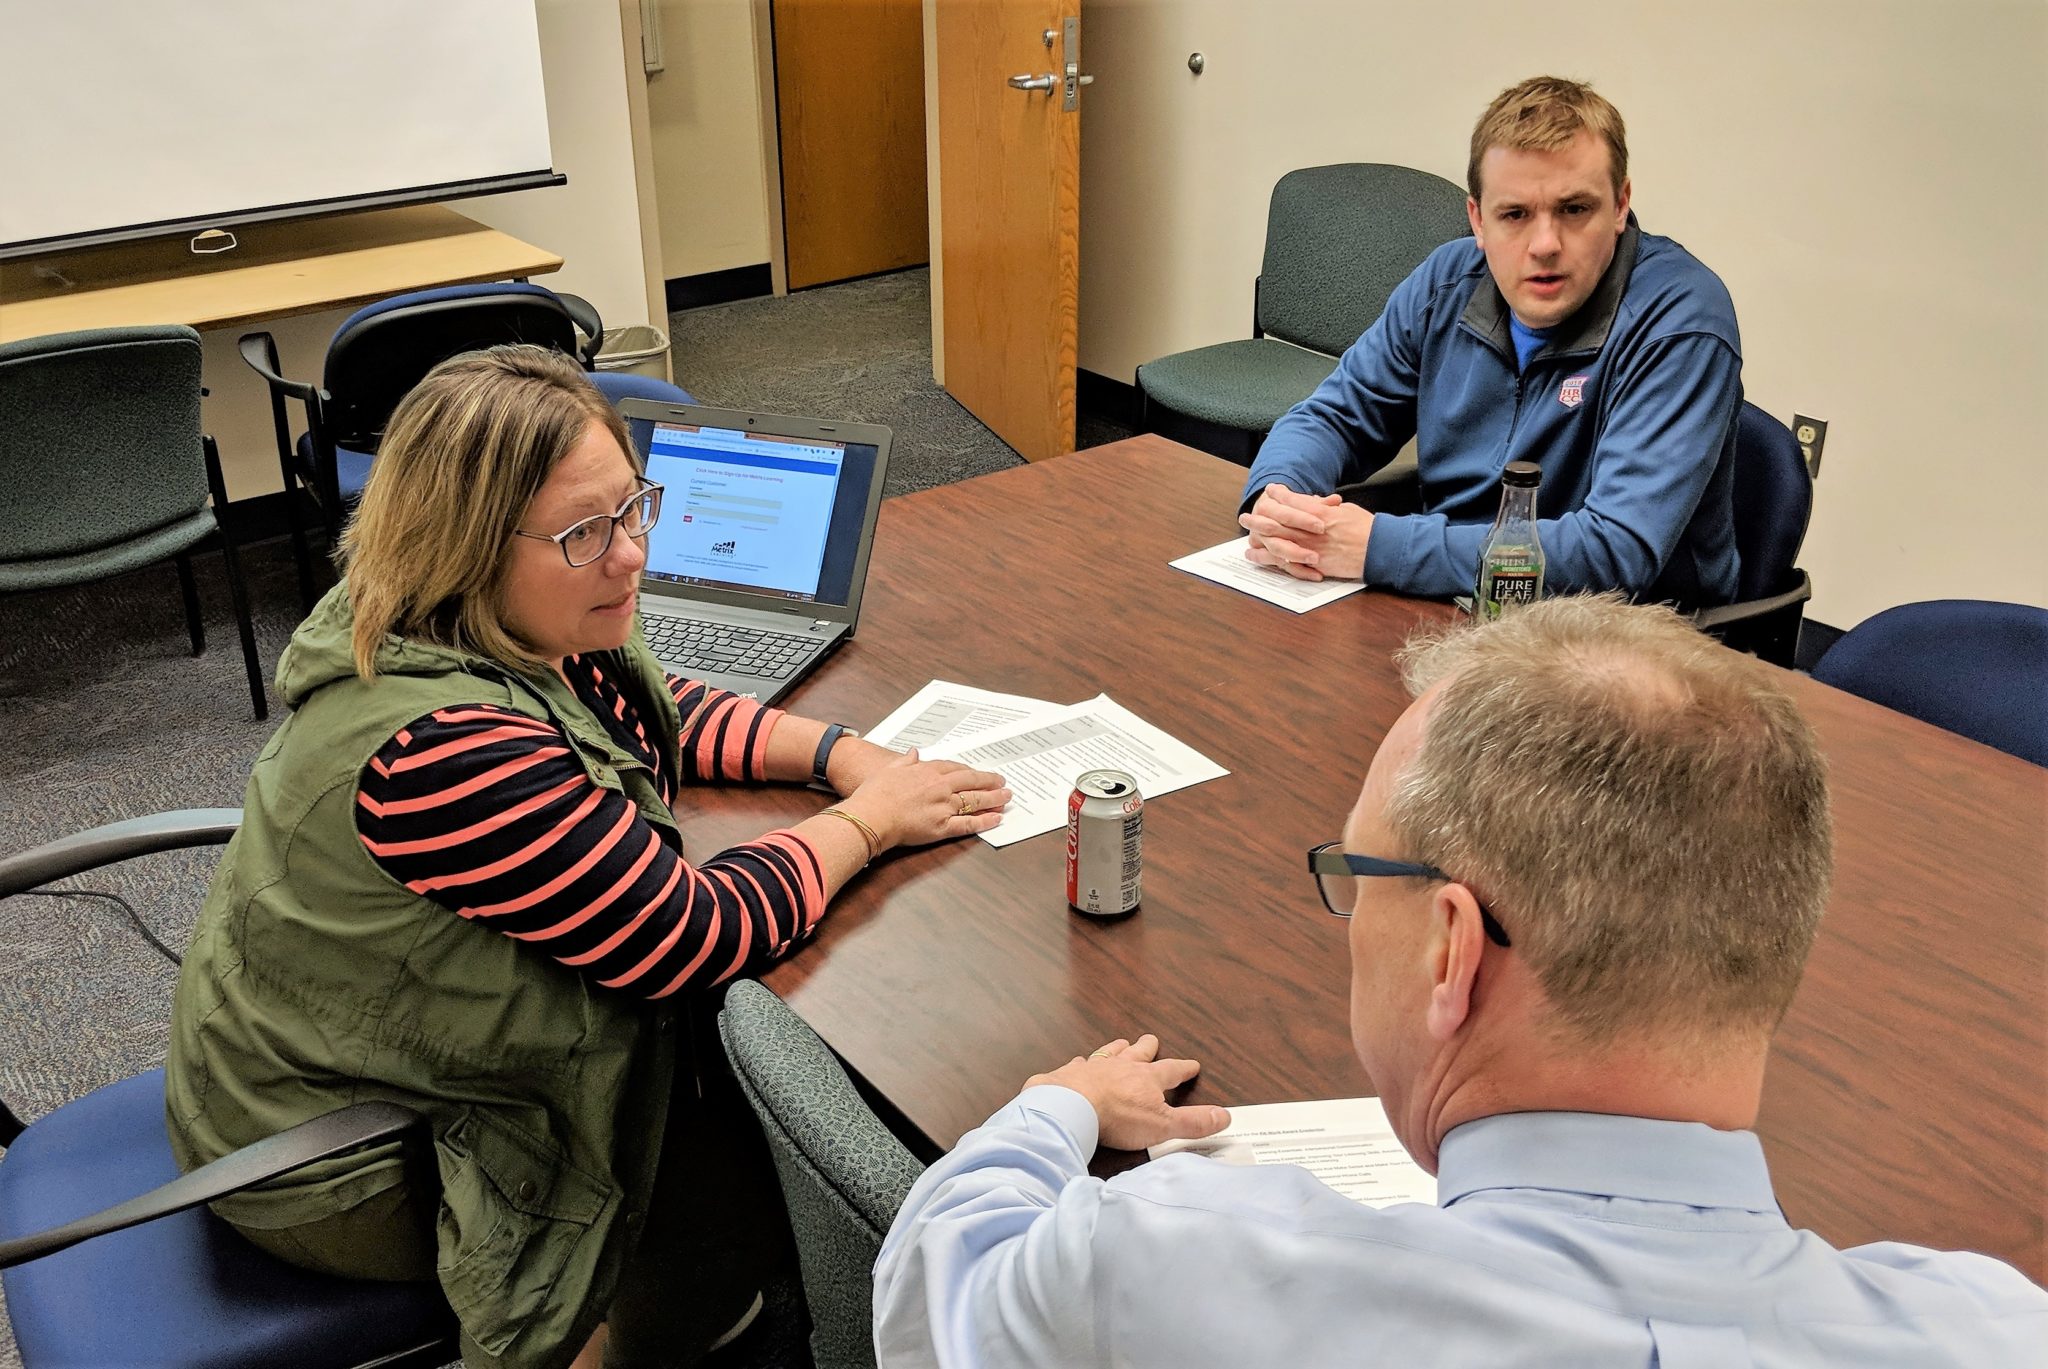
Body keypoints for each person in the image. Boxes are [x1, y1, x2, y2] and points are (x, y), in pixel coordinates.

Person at [873, 596, 2047, 1366]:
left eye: (1356, 871)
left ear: (1449, 950)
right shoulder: (1999, 1329)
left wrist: (1054, 1108)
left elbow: (929, 1296)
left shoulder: (1165, 1267)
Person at [166, 344, 1010, 1369]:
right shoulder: (440, 748)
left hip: (348, 1045)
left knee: (738, 1089)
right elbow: (689, 933)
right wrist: (870, 821)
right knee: (739, 1120)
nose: (629, 556)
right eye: (582, 532)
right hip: (336, 1156)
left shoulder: (497, 618)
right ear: (465, 545)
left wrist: (840, 754)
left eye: (633, 509)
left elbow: (652, 713)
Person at [1238, 77, 1743, 606]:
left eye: (1574, 210)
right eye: (1515, 215)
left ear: (1620, 205)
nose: (1545, 245)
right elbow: (1335, 417)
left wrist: (1377, 547)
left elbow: (1615, 552)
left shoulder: (1682, 319)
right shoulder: (1446, 285)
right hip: (1454, 595)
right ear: (1477, 219)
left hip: (1616, 632)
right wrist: (1279, 502)